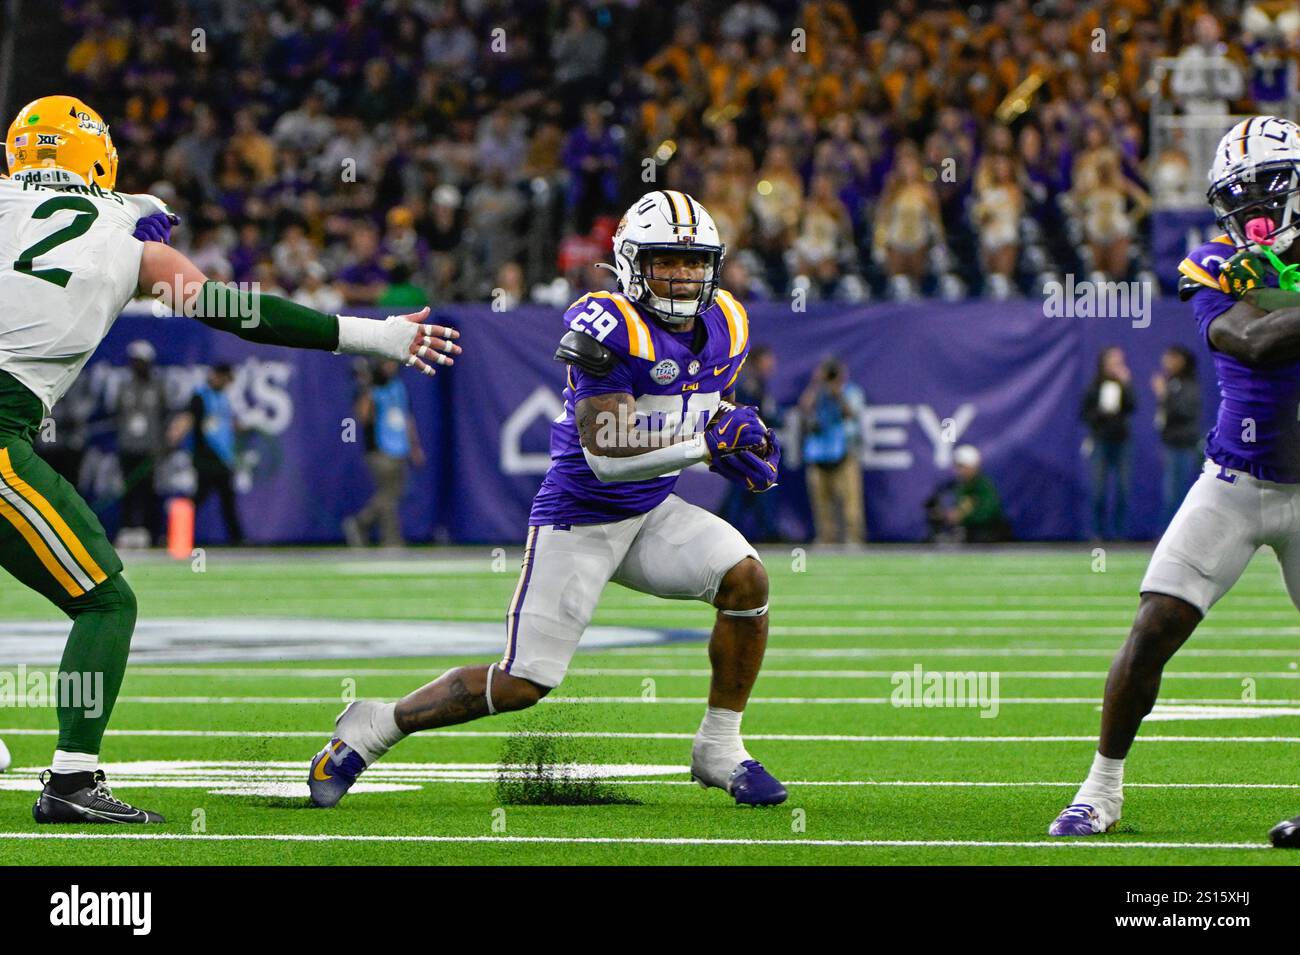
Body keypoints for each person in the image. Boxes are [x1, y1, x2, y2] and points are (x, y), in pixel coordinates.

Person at [0, 95, 460, 825]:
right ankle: (71, 779)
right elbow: (243, 311)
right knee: (104, 598)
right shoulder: (131, 237)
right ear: (100, 158)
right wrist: (373, 336)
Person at [307, 190, 787, 809]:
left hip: (651, 512)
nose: (683, 275)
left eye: (695, 262)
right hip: (582, 516)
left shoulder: (729, 321)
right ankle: (375, 725)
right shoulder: (607, 324)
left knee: (747, 582)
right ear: (632, 262)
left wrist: (739, 438)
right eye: (668, 260)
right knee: (522, 683)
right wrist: (704, 445)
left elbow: (695, 404)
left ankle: (719, 747)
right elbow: (606, 453)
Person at [1048, 115, 1300, 848]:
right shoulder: (1214, 260)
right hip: (1236, 479)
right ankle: (1100, 792)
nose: (1251, 208)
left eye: (1266, 189)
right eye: (1237, 194)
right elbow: (1245, 340)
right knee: (1154, 626)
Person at [342, 359, 424, 547]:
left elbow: (406, 417)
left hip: (400, 447)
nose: (391, 367)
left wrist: (414, 446)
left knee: (395, 493)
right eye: (387, 364)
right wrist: (367, 389)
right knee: (388, 495)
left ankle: (361, 523)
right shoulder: (368, 389)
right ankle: (391, 540)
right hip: (378, 449)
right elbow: (363, 417)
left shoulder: (398, 385)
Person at [167, 364, 245, 545]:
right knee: (199, 497)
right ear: (217, 376)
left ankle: (237, 539)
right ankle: (177, 536)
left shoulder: (224, 398)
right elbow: (187, 418)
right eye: (224, 379)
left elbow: (224, 426)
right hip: (205, 457)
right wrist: (173, 436)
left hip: (224, 458)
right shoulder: (201, 396)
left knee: (227, 499)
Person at [799, 356, 865, 544]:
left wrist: (837, 394)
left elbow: (851, 414)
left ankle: (854, 538)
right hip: (819, 453)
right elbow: (804, 407)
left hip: (844, 452)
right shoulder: (816, 391)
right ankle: (826, 538)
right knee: (821, 502)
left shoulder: (851, 391)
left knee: (850, 501)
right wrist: (815, 384)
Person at [723, 344, 780, 541]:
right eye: (767, 359)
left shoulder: (761, 385)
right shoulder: (746, 386)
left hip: (757, 449)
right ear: (757, 362)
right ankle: (729, 531)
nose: (772, 363)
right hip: (745, 448)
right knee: (741, 492)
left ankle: (768, 531)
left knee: (757, 491)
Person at [1081, 346, 1136, 540]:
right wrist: (1101, 415)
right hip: (1101, 441)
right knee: (1098, 490)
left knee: (1123, 489)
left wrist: (1126, 384)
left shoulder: (1123, 384)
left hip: (1121, 441)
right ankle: (1098, 532)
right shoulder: (1094, 386)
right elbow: (1084, 414)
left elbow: (1132, 407)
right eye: (1113, 360)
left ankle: (1120, 534)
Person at [114, 340, 165, 547]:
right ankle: (127, 529)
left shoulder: (158, 387)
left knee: (149, 491)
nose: (137, 365)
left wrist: (161, 442)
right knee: (127, 490)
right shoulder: (124, 387)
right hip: (128, 446)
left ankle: (151, 532)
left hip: (150, 448)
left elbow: (165, 414)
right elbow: (116, 413)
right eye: (134, 361)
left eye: (141, 361)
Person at [1151, 345, 1202, 526]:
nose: (1166, 361)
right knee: (1170, 494)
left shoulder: (1188, 384)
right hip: (1171, 444)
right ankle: (1169, 534)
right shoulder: (1172, 383)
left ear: (1180, 360)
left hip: (1184, 446)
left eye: (1170, 357)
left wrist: (1163, 395)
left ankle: (1178, 535)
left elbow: (1185, 411)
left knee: (1178, 494)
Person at [924, 444, 1010, 543]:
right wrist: (944, 515)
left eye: (962, 467)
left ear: (973, 467)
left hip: (986, 533)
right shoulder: (954, 486)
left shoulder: (983, 486)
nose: (959, 471)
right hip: (965, 532)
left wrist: (963, 516)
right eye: (957, 467)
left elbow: (988, 513)